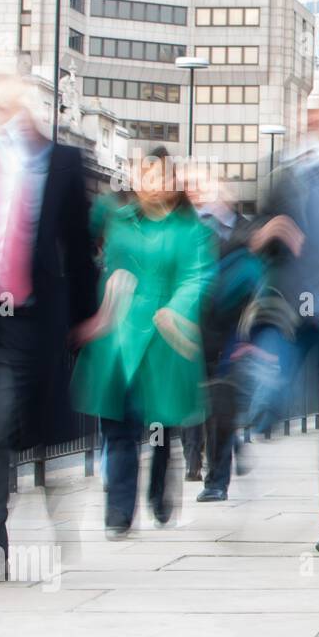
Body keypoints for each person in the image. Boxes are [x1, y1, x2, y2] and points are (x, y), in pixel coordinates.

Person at [0, 73, 98, 584]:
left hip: (32, 317)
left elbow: (80, 250)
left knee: (14, 425)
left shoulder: (59, 161)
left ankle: (47, 511)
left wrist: (87, 316)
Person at [73, 149, 216, 539]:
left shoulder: (189, 230)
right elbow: (81, 247)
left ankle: (159, 489)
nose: (150, 183)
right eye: (144, 175)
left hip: (162, 343)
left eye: (158, 176)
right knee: (118, 426)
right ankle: (119, 511)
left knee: (158, 426)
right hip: (118, 339)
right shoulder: (116, 219)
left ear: (172, 183)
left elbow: (196, 276)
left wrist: (175, 310)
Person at [248, 128, 319, 554]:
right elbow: (253, 233)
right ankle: (258, 410)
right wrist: (265, 232)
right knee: (268, 393)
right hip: (292, 314)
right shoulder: (286, 175)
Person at [185, 165, 263, 503]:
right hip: (195, 332)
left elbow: (262, 282)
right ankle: (212, 457)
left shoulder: (248, 234)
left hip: (234, 335)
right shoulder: (192, 230)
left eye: (205, 187)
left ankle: (216, 480)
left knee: (221, 405)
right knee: (201, 405)